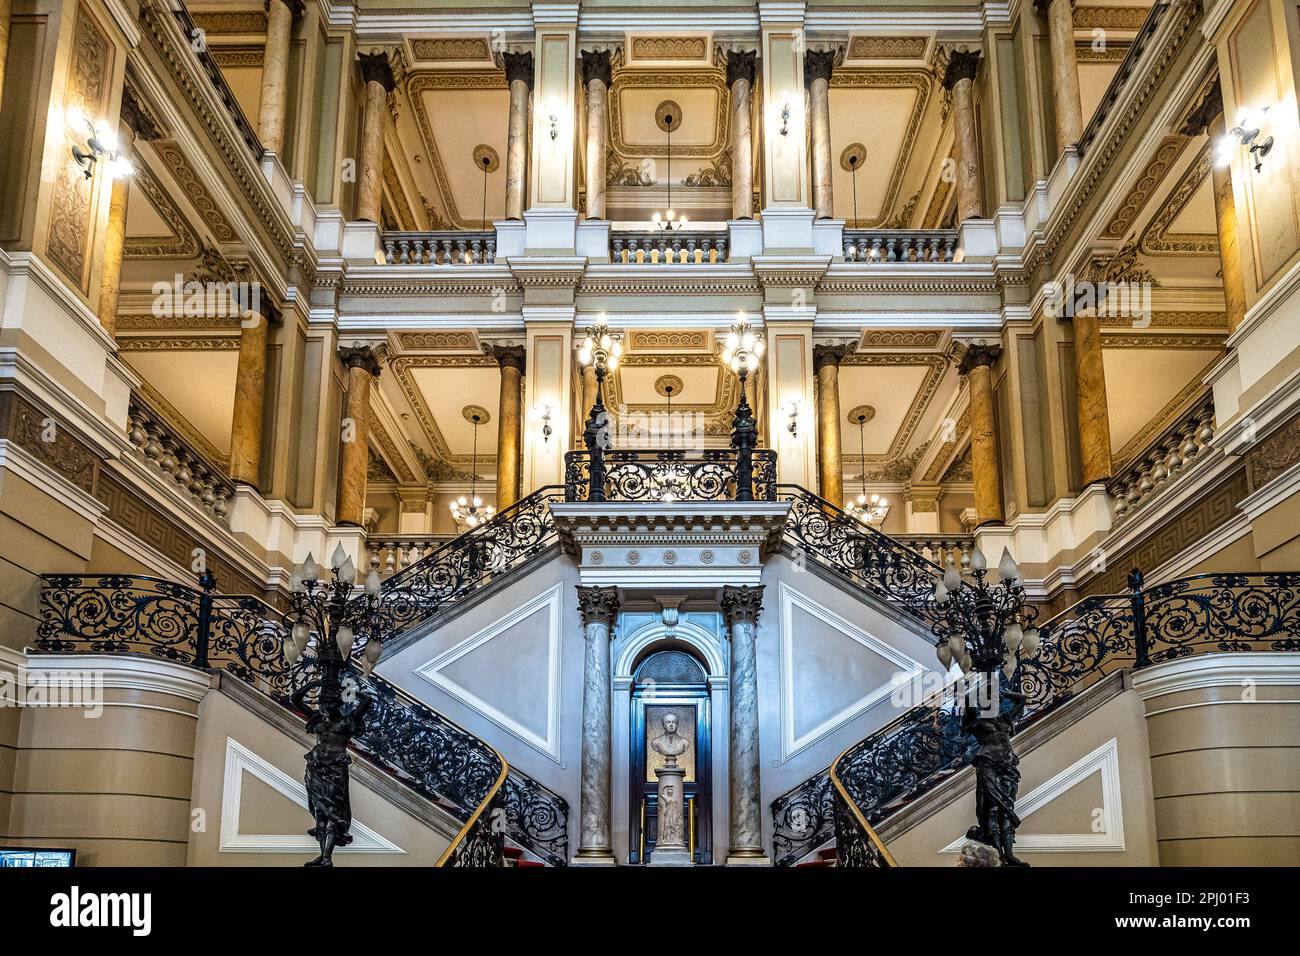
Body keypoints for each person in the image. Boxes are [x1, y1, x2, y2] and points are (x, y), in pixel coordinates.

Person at [291, 677, 373, 866]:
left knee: (333, 814)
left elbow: (367, 701)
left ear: (337, 704)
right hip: (315, 770)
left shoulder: (347, 721)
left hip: (335, 771)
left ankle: (327, 857)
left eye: (329, 702)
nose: (325, 706)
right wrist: (312, 685)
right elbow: (295, 699)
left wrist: (348, 690)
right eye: (322, 702)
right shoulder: (316, 719)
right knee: (319, 812)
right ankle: (323, 855)